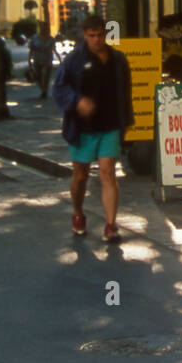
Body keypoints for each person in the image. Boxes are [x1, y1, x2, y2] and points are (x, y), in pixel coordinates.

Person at [53, 15, 134, 243]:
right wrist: (77, 101)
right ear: (84, 35)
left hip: (109, 126)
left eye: (100, 35)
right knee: (80, 176)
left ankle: (111, 224)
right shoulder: (74, 60)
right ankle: (78, 214)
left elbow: (125, 92)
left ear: (106, 34)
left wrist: (127, 120)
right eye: (92, 36)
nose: (97, 39)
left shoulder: (118, 60)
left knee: (108, 172)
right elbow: (59, 88)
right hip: (82, 128)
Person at [27, 22, 55, 98]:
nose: (43, 29)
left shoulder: (51, 39)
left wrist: (61, 61)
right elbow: (31, 49)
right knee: (38, 76)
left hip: (47, 60)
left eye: (44, 27)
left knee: (45, 74)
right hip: (37, 60)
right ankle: (43, 90)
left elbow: (54, 50)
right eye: (42, 27)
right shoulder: (34, 38)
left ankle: (45, 90)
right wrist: (29, 60)